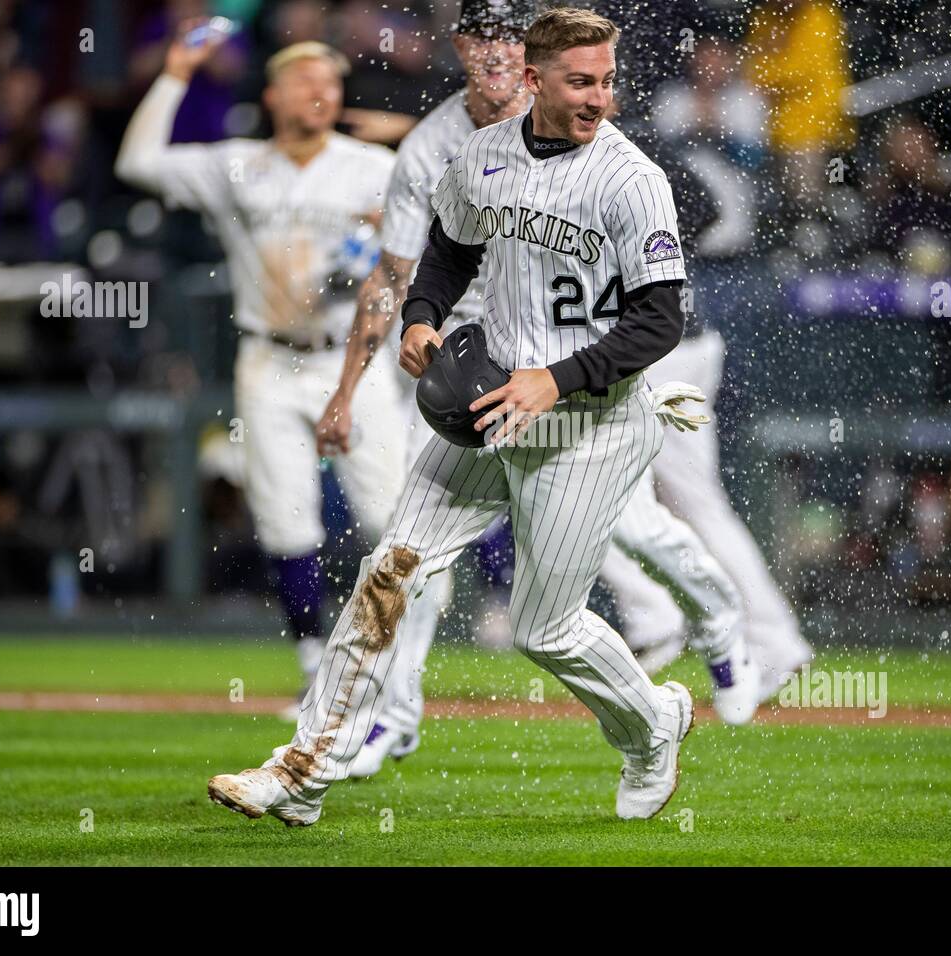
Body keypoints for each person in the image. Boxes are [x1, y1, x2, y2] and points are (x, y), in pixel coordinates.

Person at [208, 6, 725, 826]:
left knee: (544, 629)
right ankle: (305, 769)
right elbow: (448, 251)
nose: (598, 97)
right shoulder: (480, 154)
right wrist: (422, 315)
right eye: (578, 80)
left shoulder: (632, 180)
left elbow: (659, 321)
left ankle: (654, 721)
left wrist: (555, 382)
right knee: (391, 571)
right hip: (492, 408)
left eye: (606, 79)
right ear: (533, 79)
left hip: (588, 425)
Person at [115, 32, 407, 709]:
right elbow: (137, 163)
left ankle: (390, 671)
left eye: (332, 85)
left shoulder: (372, 165)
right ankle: (315, 668)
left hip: (352, 356)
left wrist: (398, 204)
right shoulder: (238, 164)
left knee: (389, 521)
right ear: (273, 95)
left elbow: (444, 210)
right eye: (307, 82)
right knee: (285, 522)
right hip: (269, 356)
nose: (321, 94)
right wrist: (175, 75)